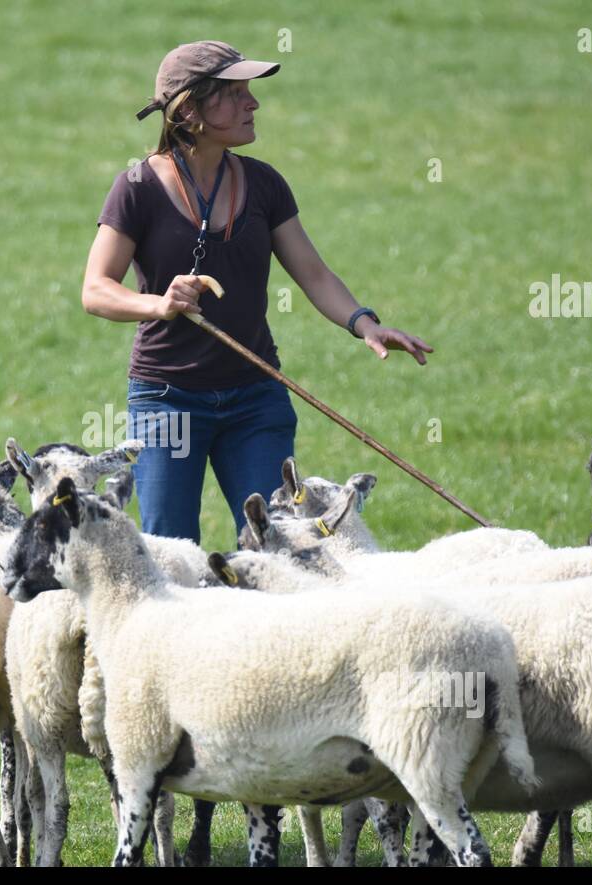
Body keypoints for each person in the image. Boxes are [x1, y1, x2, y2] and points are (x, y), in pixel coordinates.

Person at [82, 40, 433, 544]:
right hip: (168, 400)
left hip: (255, 398)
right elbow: (95, 290)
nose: (254, 103)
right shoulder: (137, 188)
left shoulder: (264, 185)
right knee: (170, 550)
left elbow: (313, 273)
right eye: (235, 93)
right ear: (190, 109)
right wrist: (159, 304)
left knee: (274, 547)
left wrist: (364, 323)